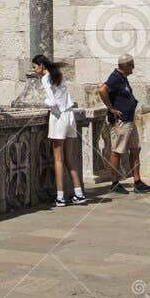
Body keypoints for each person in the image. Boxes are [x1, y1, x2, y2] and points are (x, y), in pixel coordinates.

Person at [33, 54, 87, 207]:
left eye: (35, 67)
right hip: (70, 116)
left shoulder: (45, 79)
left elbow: (52, 101)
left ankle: (60, 197)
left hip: (59, 117)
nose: (34, 70)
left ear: (41, 66)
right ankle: (79, 194)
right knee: (69, 158)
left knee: (58, 159)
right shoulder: (59, 76)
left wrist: (44, 102)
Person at [98, 54, 150, 193]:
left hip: (129, 120)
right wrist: (111, 108)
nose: (133, 67)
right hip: (121, 122)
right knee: (117, 151)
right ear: (125, 65)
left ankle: (137, 181)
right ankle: (114, 183)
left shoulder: (122, 78)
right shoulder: (115, 77)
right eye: (132, 64)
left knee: (135, 149)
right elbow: (102, 90)